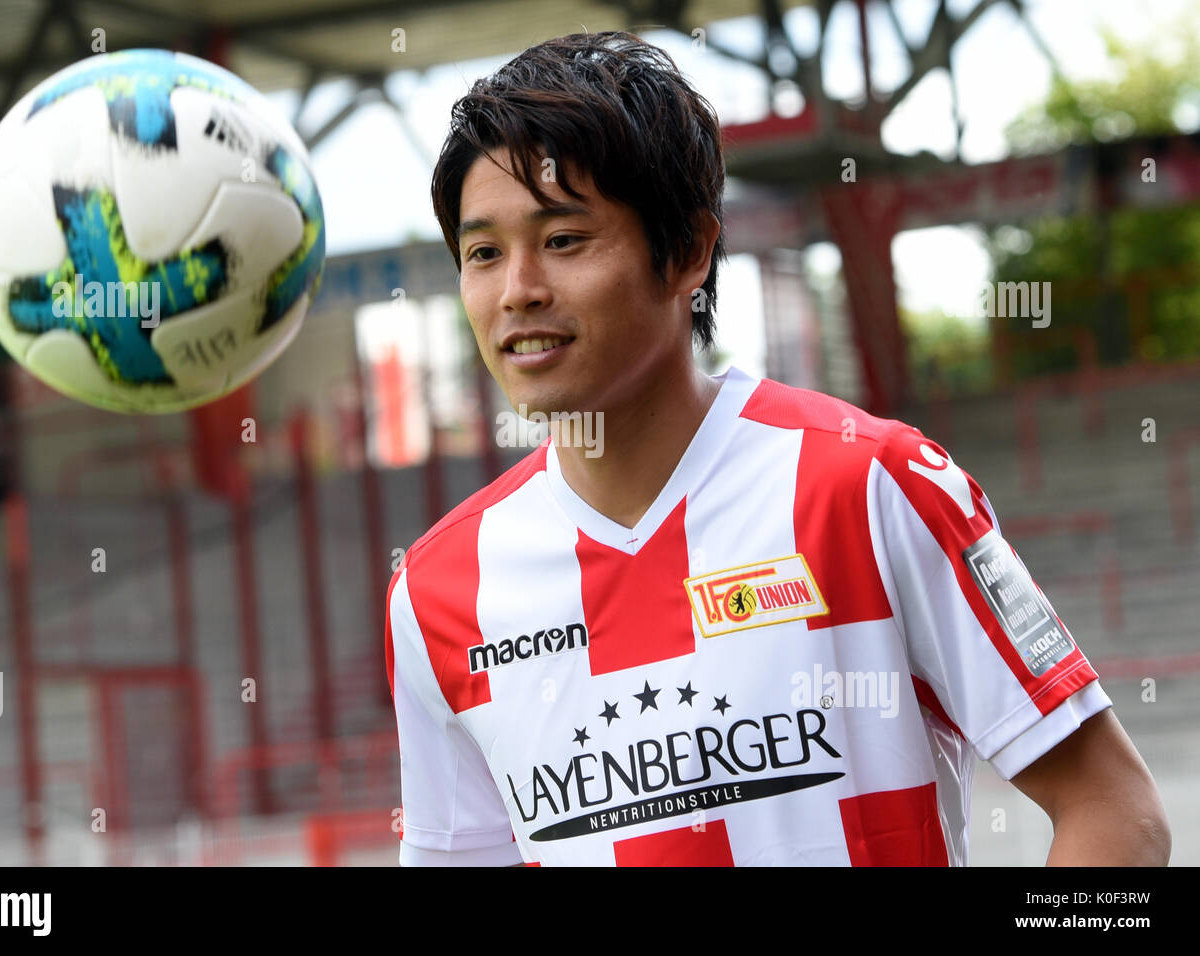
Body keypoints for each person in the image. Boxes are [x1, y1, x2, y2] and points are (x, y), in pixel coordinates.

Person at [384, 30, 1170, 866]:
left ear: (687, 250)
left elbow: (1116, 811)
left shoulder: (870, 485)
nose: (517, 292)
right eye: (482, 253)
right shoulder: (438, 592)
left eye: (564, 240)